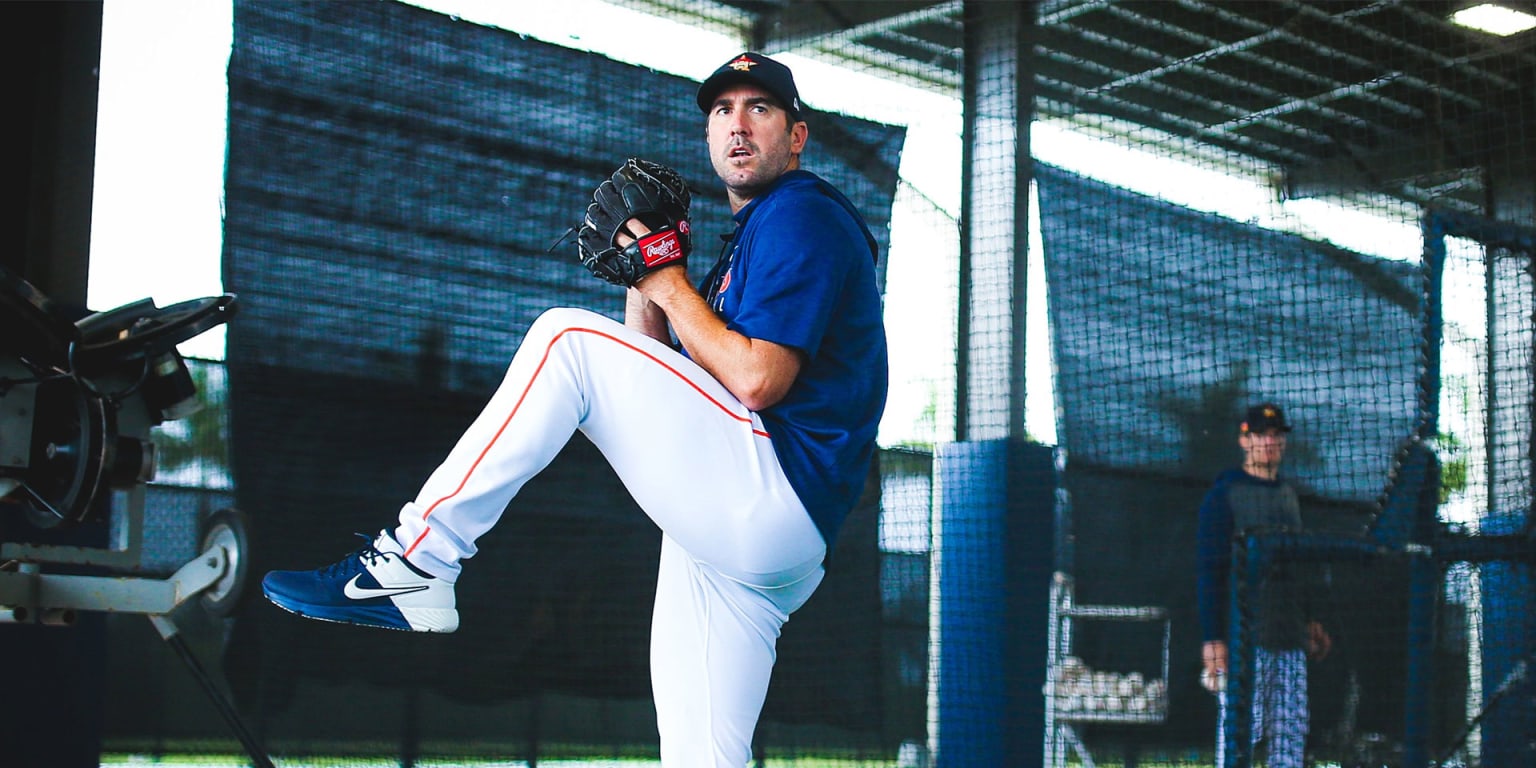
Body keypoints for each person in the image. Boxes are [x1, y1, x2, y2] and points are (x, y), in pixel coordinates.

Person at [260, 51, 888, 767]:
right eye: (723, 110)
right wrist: (646, 272)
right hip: (753, 535)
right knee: (701, 756)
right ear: (710, 134)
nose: (738, 125)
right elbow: (657, 373)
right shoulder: (744, 242)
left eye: (760, 108)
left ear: (797, 135)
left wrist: (666, 276)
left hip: (771, 488)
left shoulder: (802, 213)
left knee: (564, 340)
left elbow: (754, 379)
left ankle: (417, 561)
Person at [1196, 403, 1332, 768]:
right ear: (1245, 441)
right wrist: (1213, 639)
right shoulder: (1225, 494)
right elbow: (1209, 571)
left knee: (1289, 740)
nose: (1269, 442)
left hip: (1289, 639)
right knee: (1241, 736)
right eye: (1260, 435)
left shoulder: (1288, 494)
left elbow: (1298, 566)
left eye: (1275, 435)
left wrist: (1310, 620)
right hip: (1244, 641)